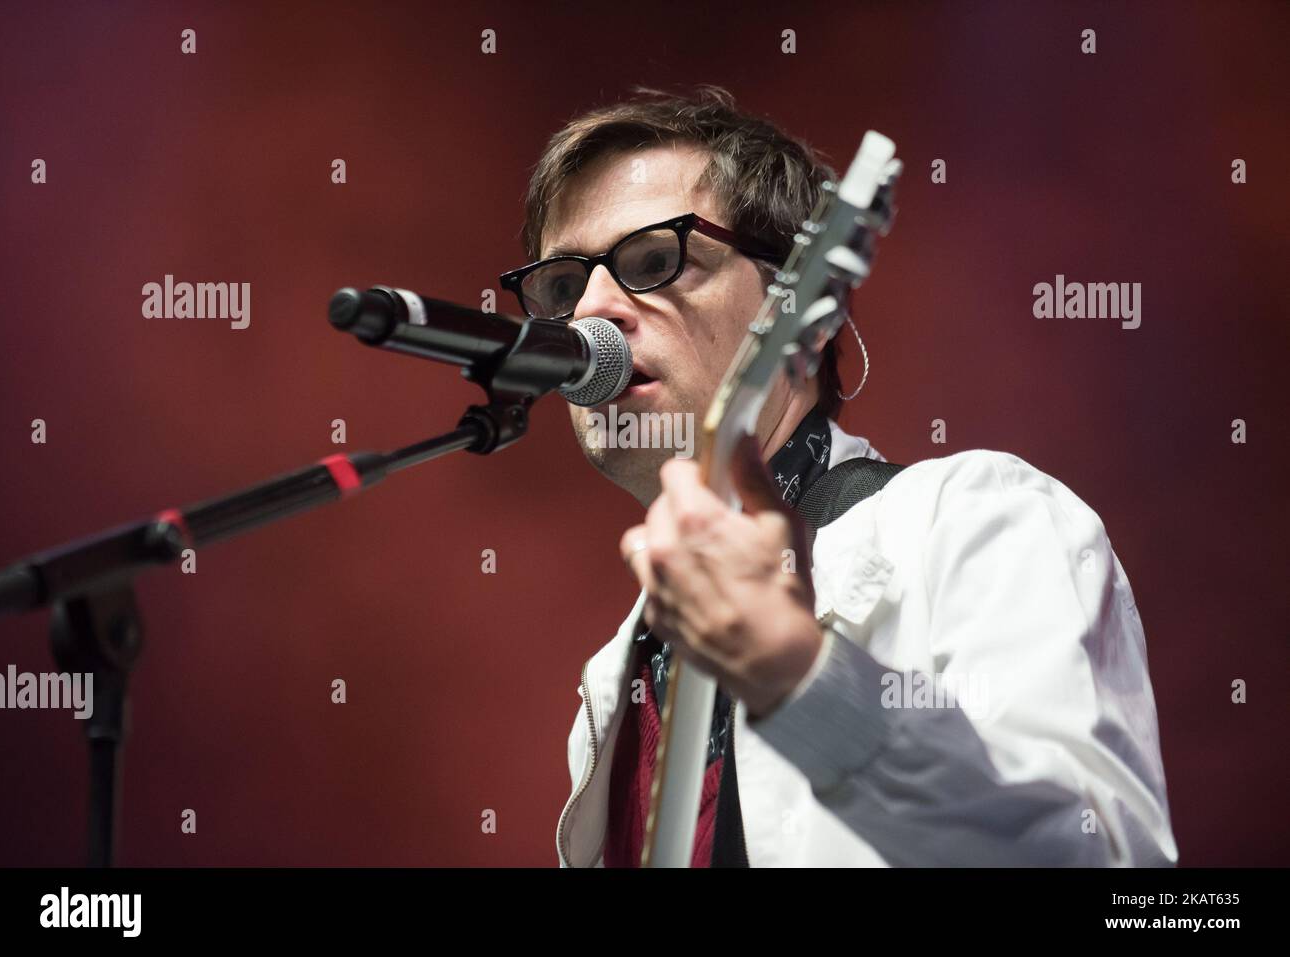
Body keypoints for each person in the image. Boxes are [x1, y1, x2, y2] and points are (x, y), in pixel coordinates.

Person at [501, 85, 1177, 867]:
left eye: (653, 259)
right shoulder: (615, 680)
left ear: (802, 302)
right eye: (560, 286)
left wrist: (806, 683)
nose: (591, 310)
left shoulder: (975, 523)